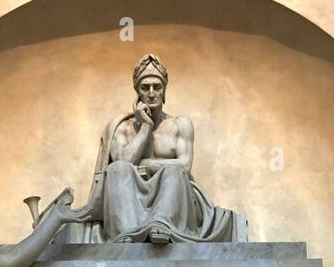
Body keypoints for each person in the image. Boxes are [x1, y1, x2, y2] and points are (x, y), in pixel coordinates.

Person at [82, 54, 237, 243]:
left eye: (157, 87)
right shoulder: (121, 127)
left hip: (174, 196)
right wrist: (145, 126)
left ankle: (163, 226)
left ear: (164, 90)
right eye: (145, 87)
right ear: (137, 92)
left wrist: (146, 165)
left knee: (174, 171)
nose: (151, 92)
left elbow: (185, 166)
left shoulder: (180, 124)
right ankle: (127, 232)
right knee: (116, 168)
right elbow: (124, 162)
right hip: (131, 200)